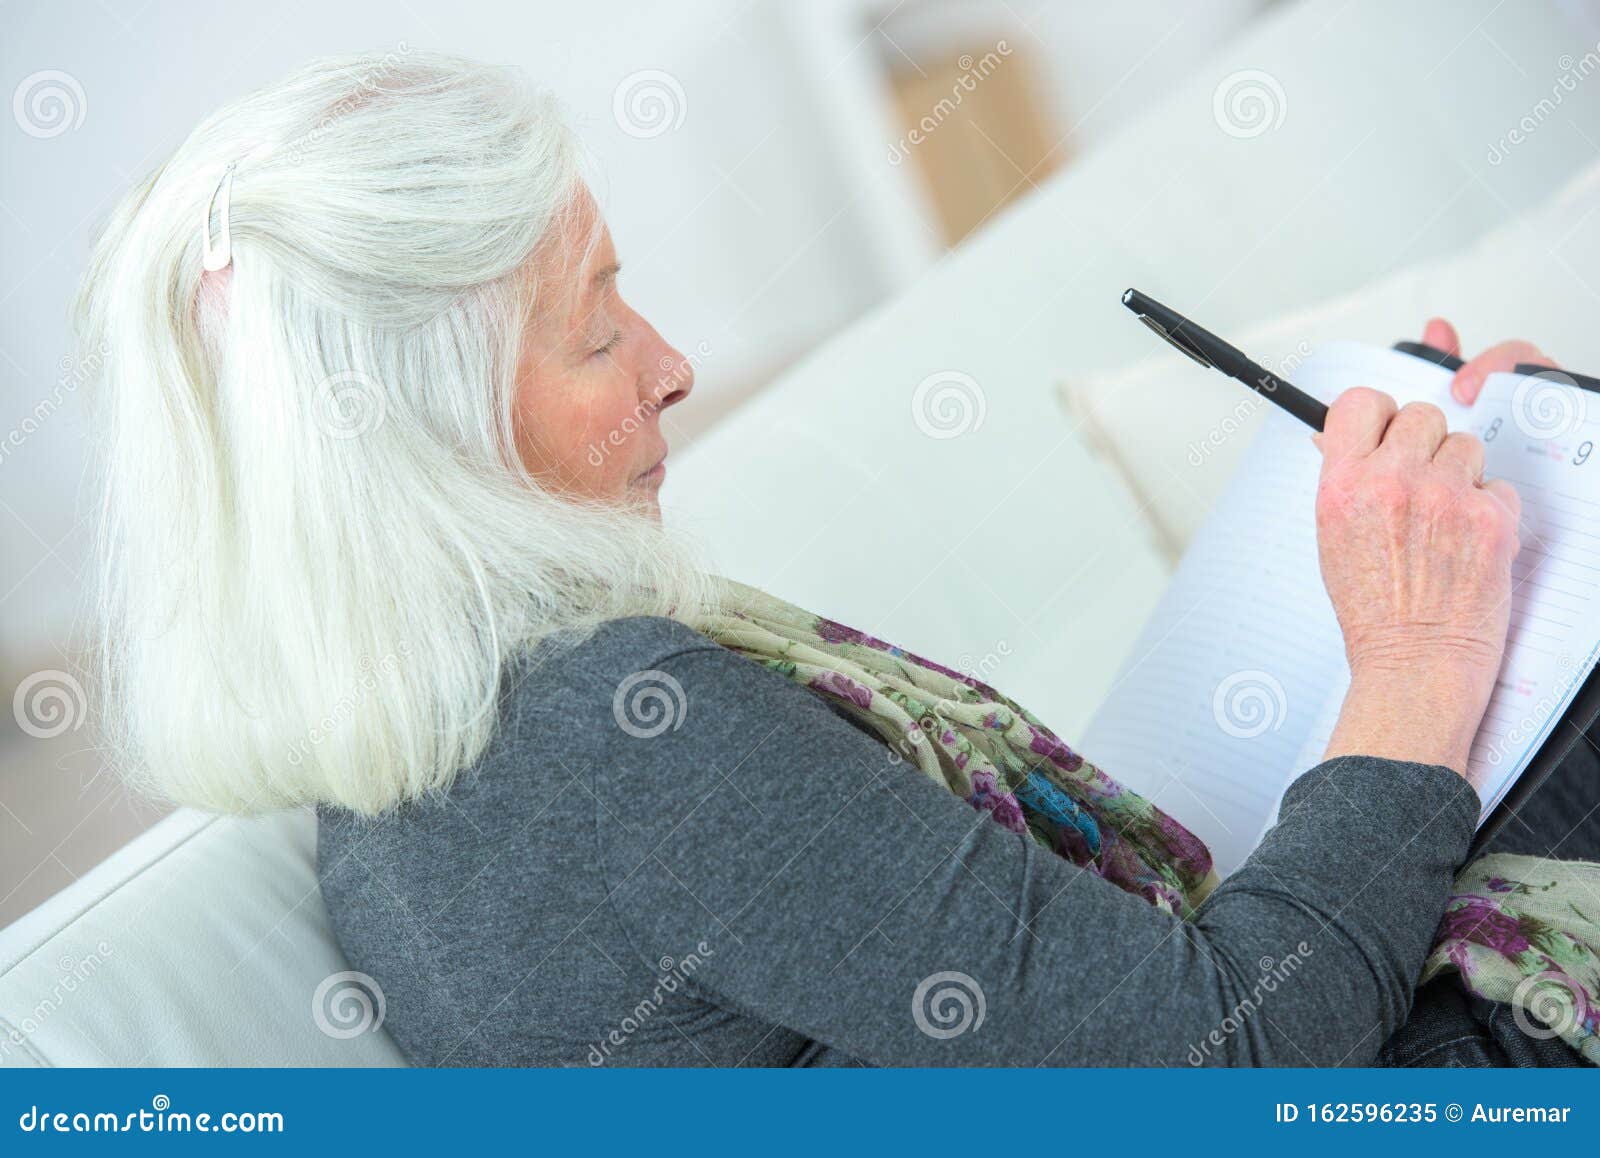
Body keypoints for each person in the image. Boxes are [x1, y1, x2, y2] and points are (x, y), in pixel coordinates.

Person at [75, 50, 1596, 1066]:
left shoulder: (395, 759)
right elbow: (1230, 1057)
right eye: (599, 328)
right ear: (427, 433)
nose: (671, 366)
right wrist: (1413, 662)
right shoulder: (615, 736)